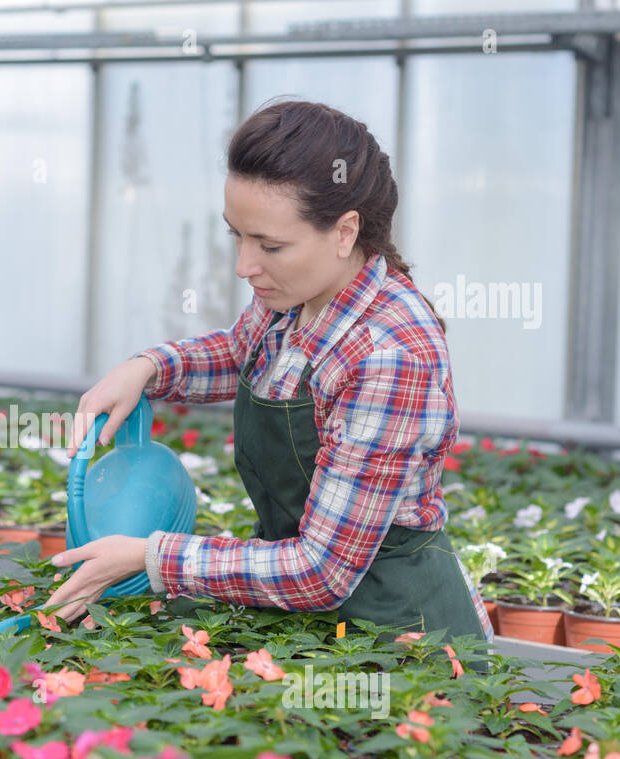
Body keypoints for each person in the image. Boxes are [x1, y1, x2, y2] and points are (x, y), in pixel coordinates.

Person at [43, 98, 493, 665]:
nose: (243, 266)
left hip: (393, 641)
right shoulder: (298, 295)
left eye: (270, 246)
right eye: (237, 236)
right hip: (301, 615)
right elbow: (243, 353)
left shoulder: (389, 354)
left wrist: (153, 558)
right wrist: (149, 368)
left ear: (344, 231)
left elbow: (320, 571)